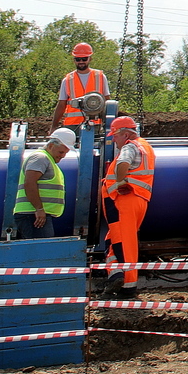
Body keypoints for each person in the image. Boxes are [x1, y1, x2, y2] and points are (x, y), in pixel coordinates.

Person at [102, 114, 156, 297]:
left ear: (125, 134)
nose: (114, 141)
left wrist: (120, 182)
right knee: (116, 240)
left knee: (123, 243)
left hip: (125, 200)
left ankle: (128, 286)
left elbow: (123, 162)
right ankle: (116, 275)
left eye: (115, 136)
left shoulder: (130, 146)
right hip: (139, 200)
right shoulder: (146, 147)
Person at [14, 127, 76, 239]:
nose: (63, 156)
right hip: (32, 214)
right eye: (61, 152)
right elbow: (29, 183)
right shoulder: (40, 158)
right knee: (40, 251)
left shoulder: (47, 160)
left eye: (65, 153)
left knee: (40, 250)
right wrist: (39, 209)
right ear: (51, 145)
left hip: (35, 214)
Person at [49, 42, 109, 131]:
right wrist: (54, 126)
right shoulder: (68, 79)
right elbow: (61, 104)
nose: (81, 62)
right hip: (72, 125)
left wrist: (109, 123)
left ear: (90, 59)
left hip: (95, 124)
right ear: (74, 60)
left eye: (84, 59)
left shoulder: (100, 77)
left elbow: (107, 101)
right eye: (78, 59)